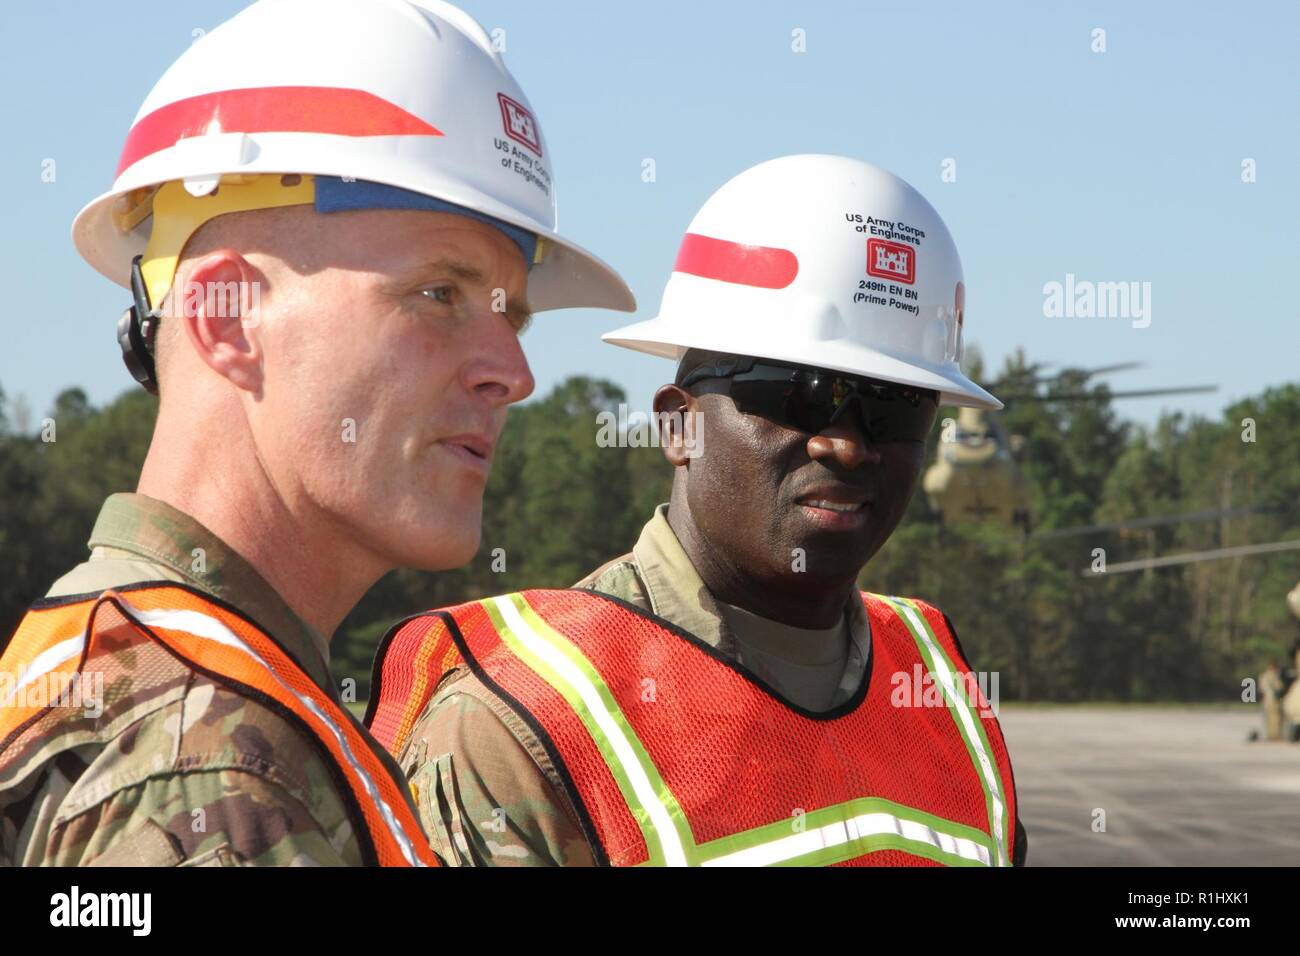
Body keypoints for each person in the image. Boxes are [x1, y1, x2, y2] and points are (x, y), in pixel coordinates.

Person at [0, 0, 633, 867]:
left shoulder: (115, 662)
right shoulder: (217, 774)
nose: (512, 375)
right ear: (228, 320)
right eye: (439, 294)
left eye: (509, 318)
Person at [369, 155, 1027, 866]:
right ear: (679, 427)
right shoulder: (522, 721)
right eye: (797, 394)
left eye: (895, 406)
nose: (846, 443)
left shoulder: (941, 692)